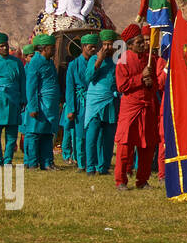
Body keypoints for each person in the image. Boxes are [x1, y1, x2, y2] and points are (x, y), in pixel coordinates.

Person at [114, 26, 167, 190]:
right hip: (131, 108)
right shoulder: (122, 59)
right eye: (139, 42)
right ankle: (121, 181)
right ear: (130, 45)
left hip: (148, 107)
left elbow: (154, 83)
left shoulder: (149, 59)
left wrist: (151, 83)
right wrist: (141, 78)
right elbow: (121, 86)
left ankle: (142, 180)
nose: (143, 45)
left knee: (148, 145)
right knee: (125, 146)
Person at [0, 33, 26, 165]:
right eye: (2, 46)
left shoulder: (17, 63)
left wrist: (23, 99)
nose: (5, 48)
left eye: (6, 45)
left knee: (12, 134)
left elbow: (22, 82)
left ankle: (8, 160)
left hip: (13, 101)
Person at [83, 29, 120, 175]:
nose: (107, 48)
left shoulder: (118, 60)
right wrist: (99, 60)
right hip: (95, 103)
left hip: (111, 101)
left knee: (108, 138)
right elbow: (88, 78)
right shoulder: (94, 59)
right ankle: (90, 167)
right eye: (105, 44)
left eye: (110, 44)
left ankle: (103, 167)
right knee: (92, 136)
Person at [23, 34, 61, 170]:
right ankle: (32, 163)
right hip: (39, 105)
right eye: (52, 48)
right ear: (44, 48)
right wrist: (33, 107)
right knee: (34, 134)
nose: (54, 51)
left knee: (47, 133)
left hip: (50, 106)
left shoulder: (50, 62)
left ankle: (47, 163)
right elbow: (31, 86)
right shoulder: (35, 62)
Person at [62, 35, 97, 169]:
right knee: (80, 134)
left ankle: (93, 162)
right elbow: (69, 88)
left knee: (93, 133)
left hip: (94, 101)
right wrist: (70, 109)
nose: (93, 49)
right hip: (80, 102)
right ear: (83, 47)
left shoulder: (97, 62)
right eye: (90, 47)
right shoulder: (73, 65)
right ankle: (81, 163)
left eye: (95, 47)